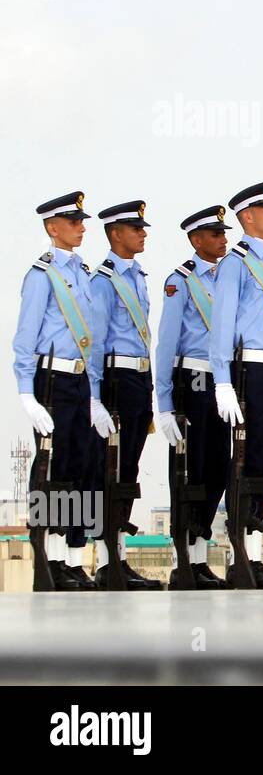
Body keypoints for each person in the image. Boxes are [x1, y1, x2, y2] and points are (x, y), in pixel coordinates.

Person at [210, 181, 263, 589]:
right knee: (246, 462)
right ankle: (241, 554)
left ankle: (256, 549)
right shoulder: (237, 264)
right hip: (251, 372)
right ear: (247, 216)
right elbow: (222, 327)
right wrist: (222, 382)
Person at [14, 192, 100, 591]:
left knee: (80, 467)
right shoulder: (41, 275)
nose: (82, 227)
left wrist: (94, 393)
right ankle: (46, 556)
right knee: (52, 470)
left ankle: (71, 557)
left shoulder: (83, 272)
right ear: (53, 227)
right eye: (73, 221)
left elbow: (91, 339)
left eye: (82, 221)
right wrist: (25, 394)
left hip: (79, 380)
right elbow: (25, 338)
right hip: (51, 380)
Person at [155, 204, 233, 589]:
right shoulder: (181, 281)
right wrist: (165, 403)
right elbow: (166, 343)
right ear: (195, 240)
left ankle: (201, 557)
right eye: (215, 234)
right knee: (189, 472)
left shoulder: (230, 278)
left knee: (218, 468)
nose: (223, 239)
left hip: (223, 385)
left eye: (224, 233)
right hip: (192, 381)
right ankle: (182, 560)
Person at [87, 200, 160, 589]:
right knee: (107, 471)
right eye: (136, 229)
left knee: (128, 468)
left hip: (137, 380)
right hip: (114, 377)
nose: (143, 233)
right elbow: (95, 341)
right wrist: (94, 396)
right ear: (116, 234)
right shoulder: (103, 280)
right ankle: (104, 560)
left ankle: (118, 554)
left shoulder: (136, 276)